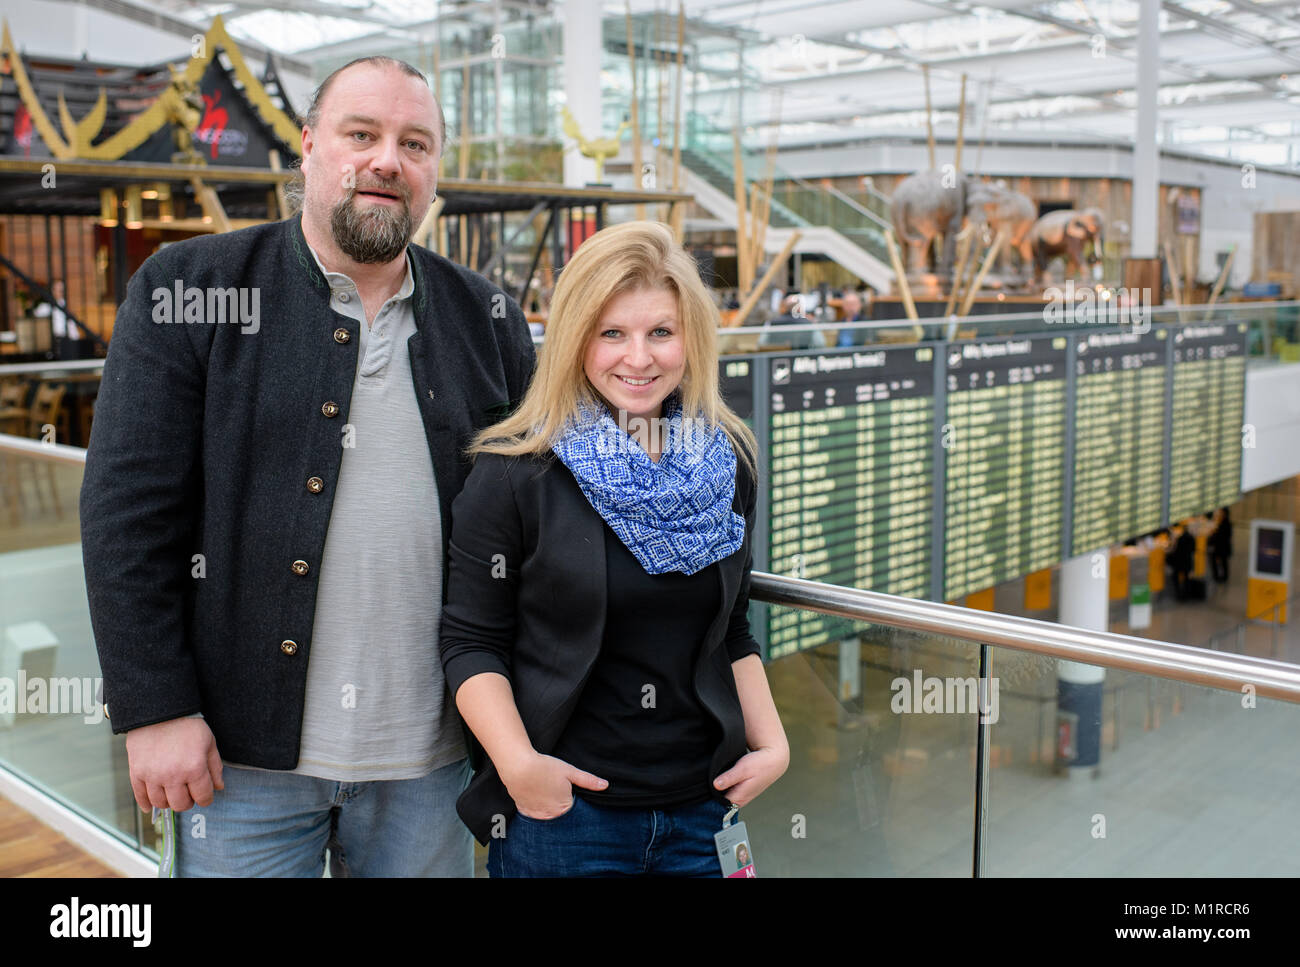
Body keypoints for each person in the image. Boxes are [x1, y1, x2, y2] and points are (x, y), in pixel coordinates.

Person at [79, 56, 535, 877]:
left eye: (415, 143)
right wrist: (153, 708)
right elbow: (125, 514)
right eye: (362, 134)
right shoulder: (190, 289)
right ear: (309, 147)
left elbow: (542, 521)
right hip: (237, 760)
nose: (388, 161)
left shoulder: (489, 316)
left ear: (434, 173)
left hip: (432, 761)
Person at [439, 220, 789, 877]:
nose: (639, 357)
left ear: (692, 338)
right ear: (577, 339)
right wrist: (520, 768)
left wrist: (773, 745)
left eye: (661, 331)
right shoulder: (517, 471)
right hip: (568, 821)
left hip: (702, 810)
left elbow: (732, 627)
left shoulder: (728, 459)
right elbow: (469, 640)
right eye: (612, 333)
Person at [1209, 507, 1233, 583]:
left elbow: (1223, 536)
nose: (1219, 514)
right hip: (1222, 547)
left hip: (1221, 547)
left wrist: (1214, 533)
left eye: (1221, 512)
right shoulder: (1223, 522)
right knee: (1223, 562)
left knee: (1222, 562)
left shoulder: (1225, 523)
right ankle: (1221, 577)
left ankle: (1220, 577)